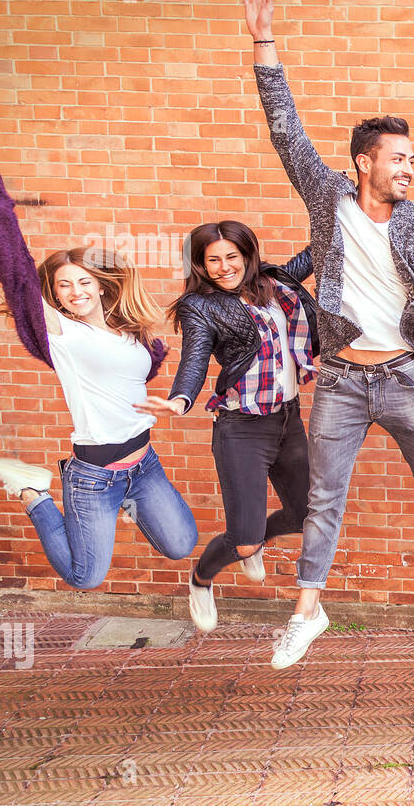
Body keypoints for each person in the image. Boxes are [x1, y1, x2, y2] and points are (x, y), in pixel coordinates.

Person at [241, 0, 414, 669]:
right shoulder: (328, 198)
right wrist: (265, 41)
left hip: (406, 379)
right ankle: (307, 610)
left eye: (412, 158)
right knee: (324, 497)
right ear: (364, 162)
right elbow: (284, 127)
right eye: (399, 158)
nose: (410, 168)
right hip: (343, 382)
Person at [0, 172, 197, 590]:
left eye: (84, 282)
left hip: (145, 465)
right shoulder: (63, 335)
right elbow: (14, 270)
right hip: (94, 475)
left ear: (101, 287)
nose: (75, 291)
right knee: (85, 577)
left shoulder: (129, 332)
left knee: (181, 545)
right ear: (55, 294)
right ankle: (34, 492)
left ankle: (129, 502)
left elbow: (130, 376)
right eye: (64, 285)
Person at [135, 221, 317, 636]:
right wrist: (180, 399)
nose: (223, 267)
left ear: (248, 255)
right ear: (200, 263)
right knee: (244, 541)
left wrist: (343, 199)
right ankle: (201, 579)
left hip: (287, 420)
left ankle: (252, 538)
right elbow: (195, 356)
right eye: (212, 260)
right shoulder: (200, 306)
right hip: (241, 430)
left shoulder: (273, 282)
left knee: (306, 516)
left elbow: (317, 248)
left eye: (231, 257)